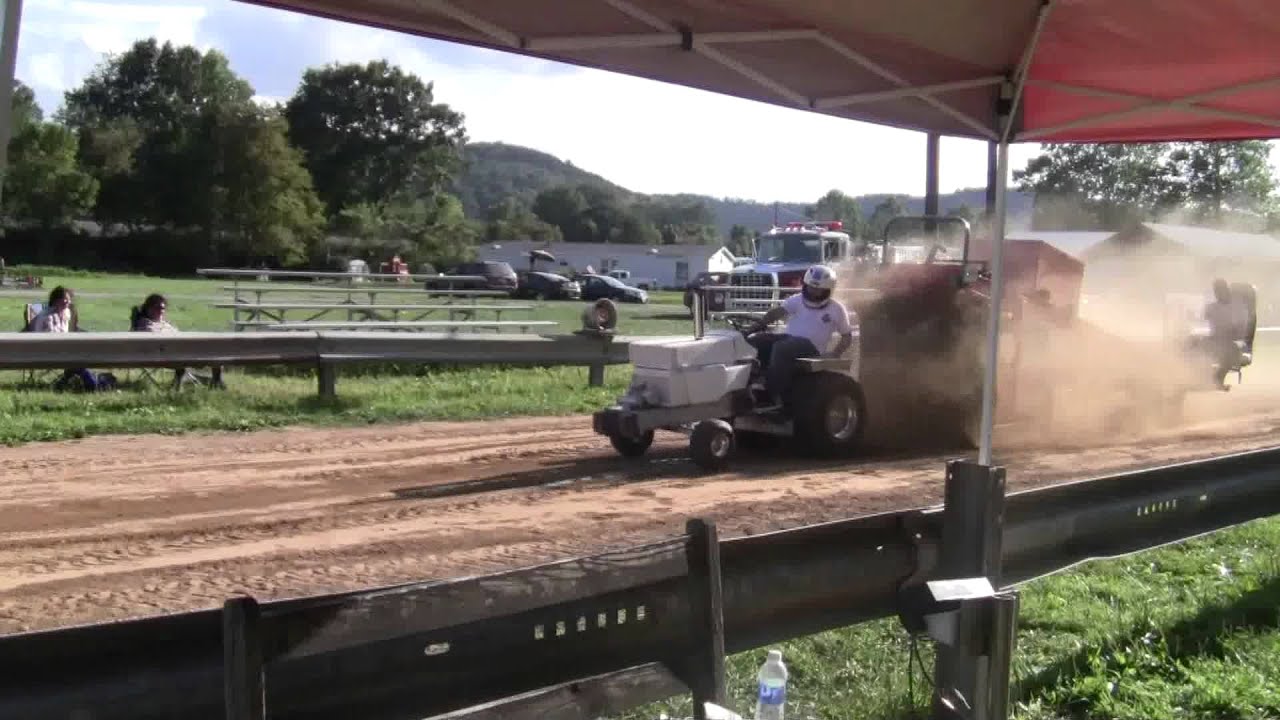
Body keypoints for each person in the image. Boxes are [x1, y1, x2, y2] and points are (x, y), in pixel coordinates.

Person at [748, 265, 856, 408]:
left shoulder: (836, 309)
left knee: (782, 348)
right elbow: (778, 312)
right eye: (811, 287)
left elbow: (847, 336)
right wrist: (759, 325)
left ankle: (772, 394)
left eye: (818, 289)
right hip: (789, 339)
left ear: (828, 290)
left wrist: (835, 354)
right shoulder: (797, 300)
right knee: (757, 340)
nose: (813, 291)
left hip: (812, 347)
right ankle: (753, 383)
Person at [29, 285, 100, 391]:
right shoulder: (46, 316)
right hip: (46, 350)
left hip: (64, 349)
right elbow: (36, 334)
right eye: (64, 299)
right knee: (77, 359)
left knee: (80, 355)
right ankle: (89, 384)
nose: (67, 301)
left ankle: (67, 381)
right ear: (55, 300)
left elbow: (67, 332)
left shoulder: (67, 313)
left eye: (69, 299)